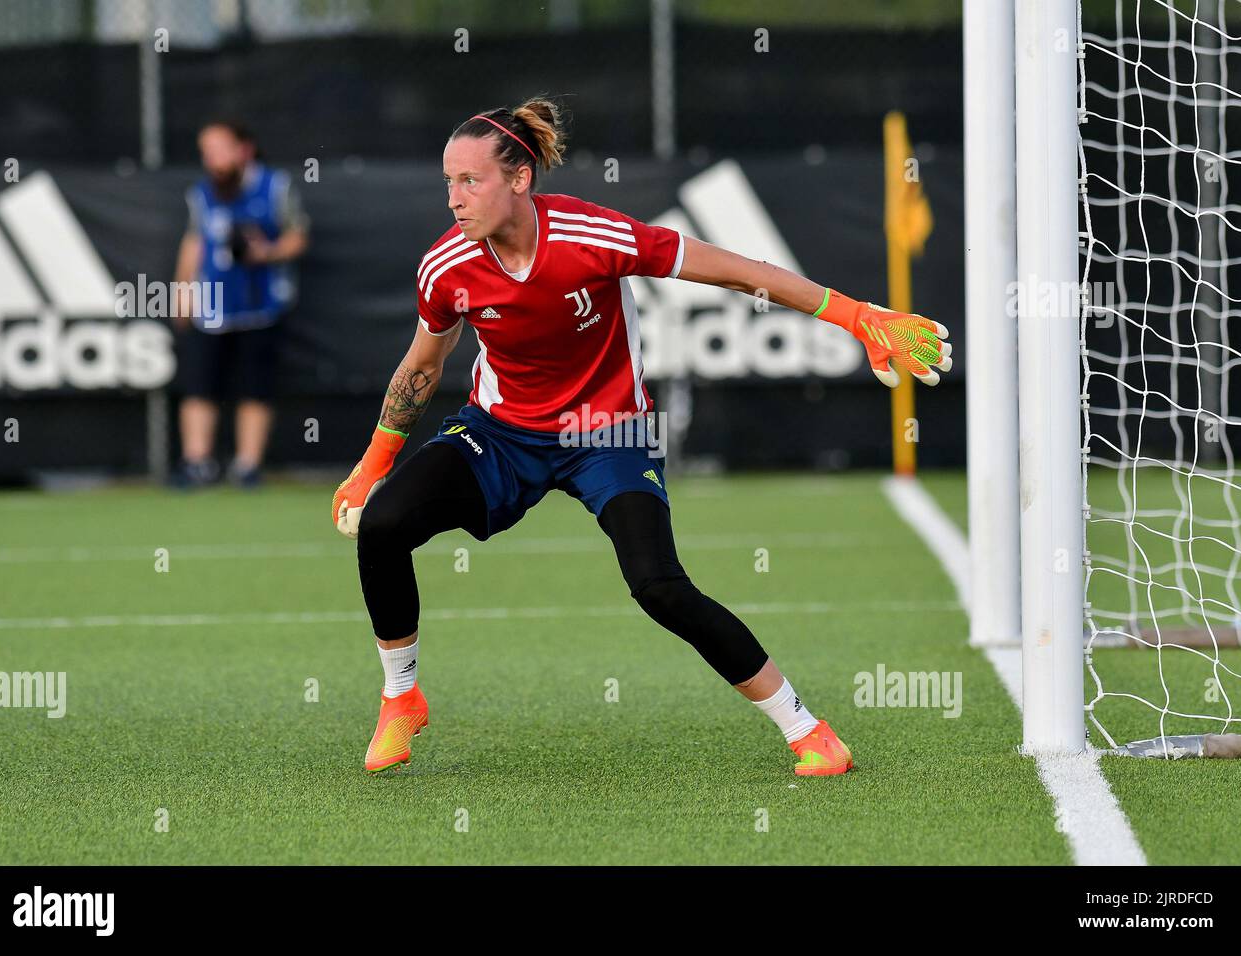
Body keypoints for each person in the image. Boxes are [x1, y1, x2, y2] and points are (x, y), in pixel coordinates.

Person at [331, 98, 951, 775]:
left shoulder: (593, 236)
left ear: (518, 180)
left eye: (469, 181)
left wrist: (855, 315)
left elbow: (738, 270)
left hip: (610, 433)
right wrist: (372, 466)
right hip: (501, 433)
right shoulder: (447, 266)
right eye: (448, 182)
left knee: (659, 586)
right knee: (384, 525)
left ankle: (808, 730)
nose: (454, 198)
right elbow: (423, 365)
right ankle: (401, 698)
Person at [171, 119, 310, 488]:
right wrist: (182, 292)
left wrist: (268, 252)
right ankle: (196, 462)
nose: (212, 160)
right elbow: (193, 242)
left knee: (255, 388)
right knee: (200, 385)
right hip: (212, 307)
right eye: (206, 153)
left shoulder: (274, 187)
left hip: (261, 306)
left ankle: (247, 465)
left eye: (219, 149)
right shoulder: (200, 194)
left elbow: (298, 236)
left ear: (243, 150)